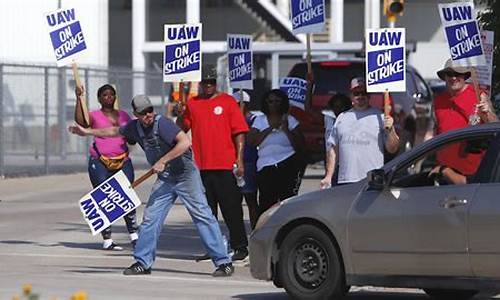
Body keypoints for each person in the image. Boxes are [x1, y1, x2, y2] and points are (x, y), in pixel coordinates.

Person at [69, 95, 234, 277]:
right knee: (150, 218)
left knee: (202, 215)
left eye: (150, 110)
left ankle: (224, 262)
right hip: (165, 178)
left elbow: (185, 143)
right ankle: (142, 262)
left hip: (185, 175)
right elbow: (113, 131)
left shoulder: (163, 124)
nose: (148, 115)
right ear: (136, 114)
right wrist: (88, 132)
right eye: (143, 113)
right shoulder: (134, 127)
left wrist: (163, 160)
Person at [176, 67, 249, 261]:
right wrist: (181, 113)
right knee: (207, 212)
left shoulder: (228, 101)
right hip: (201, 166)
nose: (208, 85)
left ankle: (240, 246)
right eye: (205, 82)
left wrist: (239, 159)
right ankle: (213, 248)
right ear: (199, 83)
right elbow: (181, 129)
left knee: (231, 208)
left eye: (211, 82)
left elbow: (239, 132)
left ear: (216, 82)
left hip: (225, 165)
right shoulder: (192, 103)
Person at [74, 84, 138, 251]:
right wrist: (79, 98)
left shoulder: (124, 116)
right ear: (99, 98)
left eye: (111, 95)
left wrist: (132, 136)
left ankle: (134, 236)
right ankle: (108, 240)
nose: (108, 97)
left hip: (122, 161)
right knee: (103, 198)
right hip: (100, 162)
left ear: (115, 97)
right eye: (104, 95)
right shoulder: (94, 115)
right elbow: (81, 122)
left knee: (125, 197)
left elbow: (131, 138)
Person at [320, 77, 400, 187]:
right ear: (351, 96)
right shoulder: (341, 118)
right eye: (356, 93)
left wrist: (390, 130)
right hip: (345, 180)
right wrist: (329, 176)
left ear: (369, 96)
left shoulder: (380, 117)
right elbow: (333, 150)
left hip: (372, 180)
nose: (360, 96)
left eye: (364, 93)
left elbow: (392, 148)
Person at [433, 59, 498, 177]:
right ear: (444, 77)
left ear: (464, 76)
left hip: (472, 173)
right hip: (443, 172)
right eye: (449, 74)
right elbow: (434, 132)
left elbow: (495, 129)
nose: (453, 78)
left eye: (457, 74)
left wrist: (488, 112)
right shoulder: (438, 101)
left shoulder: (478, 95)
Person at [247, 89, 305, 216]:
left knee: (287, 200)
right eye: (271, 101)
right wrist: (271, 127)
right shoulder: (260, 120)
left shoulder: (290, 120)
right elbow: (252, 142)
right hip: (266, 166)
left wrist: (285, 129)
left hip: (287, 163)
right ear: (266, 103)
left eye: (278, 101)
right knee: (266, 202)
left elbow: (299, 146)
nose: (274, 104)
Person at [232, 90, 259, 230]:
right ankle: (238, 235)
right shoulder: (231, 120)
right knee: (234, 203)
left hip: (249, 163)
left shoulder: (254, 120)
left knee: (251, 200)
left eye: (237, 104)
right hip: (232, 164)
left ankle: (255, 231)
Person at [322, 93, 352, 187]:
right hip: (330, 157)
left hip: (345, 160)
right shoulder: (328, 118)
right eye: (336, 107)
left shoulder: (351, 120)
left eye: (342, 107)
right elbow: (309, 110)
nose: (339, 110)